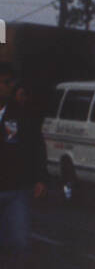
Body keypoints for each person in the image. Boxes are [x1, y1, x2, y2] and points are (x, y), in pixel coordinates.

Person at [0, 63, 48, 255]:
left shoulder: (22, 115)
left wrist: (40, 178)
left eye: (8, 82)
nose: (5, 86)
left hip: (16, 190)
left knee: (19, 243)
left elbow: (37, 146)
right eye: (2, 82)